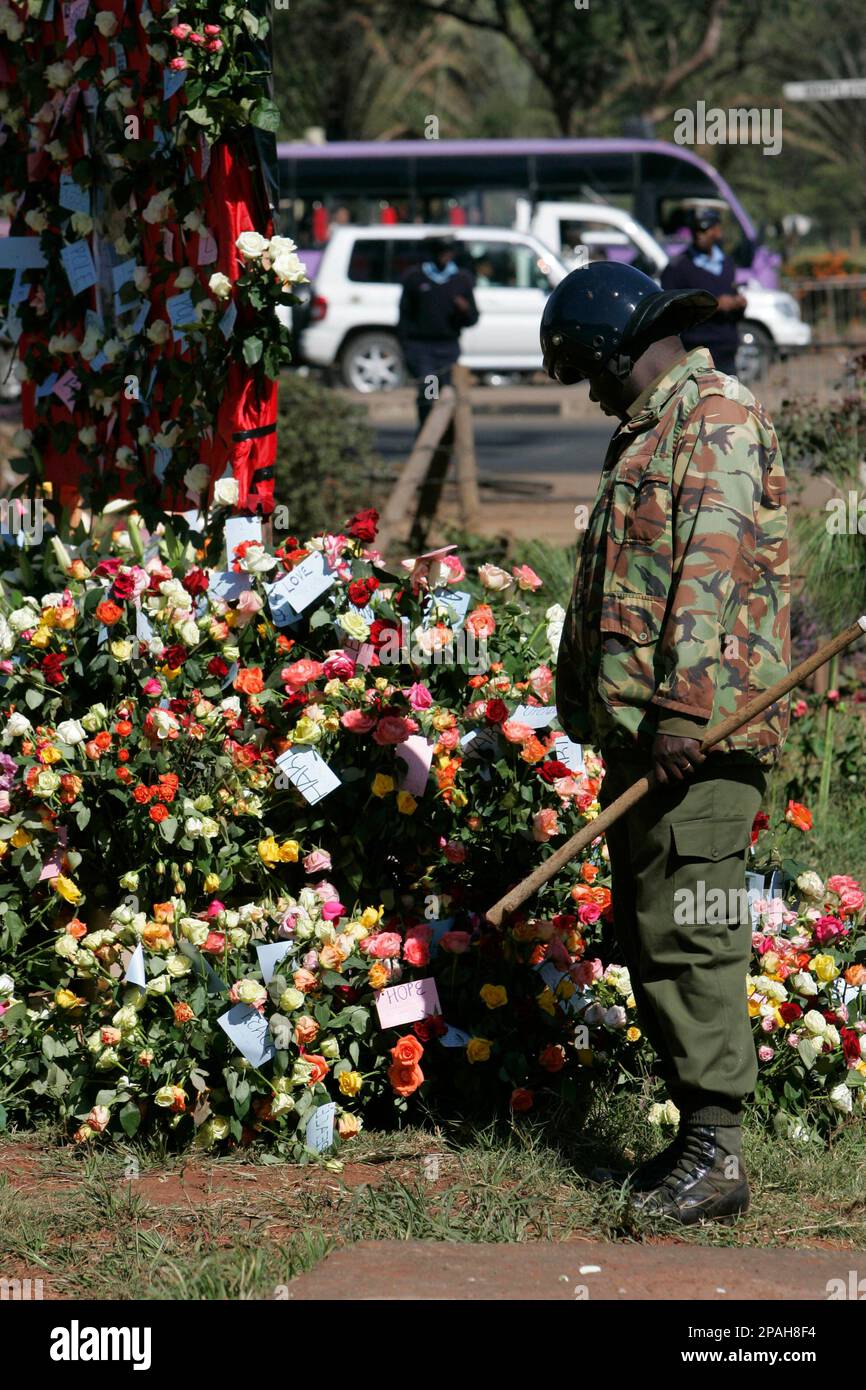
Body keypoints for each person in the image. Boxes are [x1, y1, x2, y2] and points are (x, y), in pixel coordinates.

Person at [540, 261, 790, 1225]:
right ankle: (696, 1141)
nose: (592, 393)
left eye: (590, 372)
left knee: (695, 933)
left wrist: (685, 709)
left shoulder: (717, 417)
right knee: (653, 931)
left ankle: (720, 1156)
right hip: (654, 739)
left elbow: (710, 561)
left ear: (617, 348)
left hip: (703, 737)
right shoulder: (649, 428)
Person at [397, 236, 479, 428]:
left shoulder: (461, 279)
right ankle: (427, 433)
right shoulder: (415, 278)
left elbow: (472, 318)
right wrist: (407, 349)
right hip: (423, 350)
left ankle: (446, 439)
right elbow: (404, 318)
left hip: (448, 348)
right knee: (430, 392)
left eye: (448, 252)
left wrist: (465, 309)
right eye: (440, 252)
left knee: (449, 394)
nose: (444, 257)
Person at [660, 208, 747, 375]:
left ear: (717, 230)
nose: (698, 234)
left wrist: (739, 305)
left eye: (704, 229)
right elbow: (669, 310)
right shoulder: (677, 267)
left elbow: (733, 309)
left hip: (726, 351)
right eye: (695, 230)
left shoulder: (727, 263)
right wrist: (713, 305)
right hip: (695, 351)